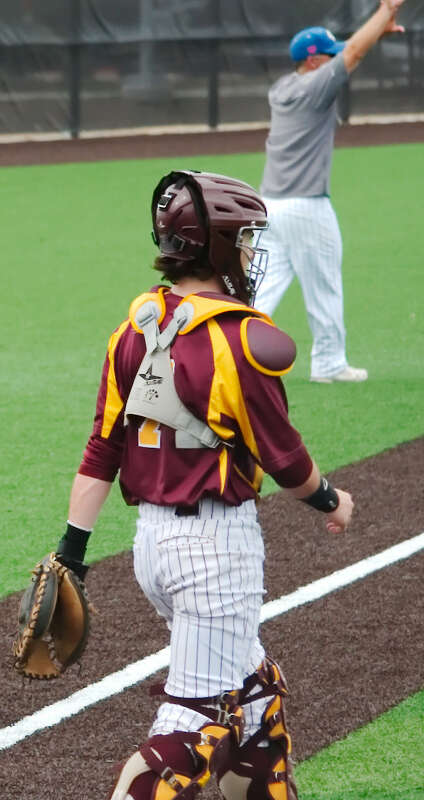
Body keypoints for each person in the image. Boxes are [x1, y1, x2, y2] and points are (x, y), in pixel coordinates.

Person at [47, 170, 354, 799]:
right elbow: (287, 460)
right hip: (216, 554)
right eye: (241, 238)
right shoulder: (242, 340)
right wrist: (332, 499)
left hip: (152, 550)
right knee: (194, 723)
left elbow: (103, 447)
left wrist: (71, 552)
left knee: (255, 690)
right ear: (213, 246)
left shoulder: (136, 328)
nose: (249, 251)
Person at [253, 0, 407, 383]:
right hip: (306, 207)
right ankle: (329, 364)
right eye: (329, 55)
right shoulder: (313, 87)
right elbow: (354, 51)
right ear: (315, 61)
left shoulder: (283, 87)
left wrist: (374, 33)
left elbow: (352, 50)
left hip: (270, 205)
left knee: (261, 289)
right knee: (324, 287)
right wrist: (384, 11)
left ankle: (228, 355)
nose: (338, 60)